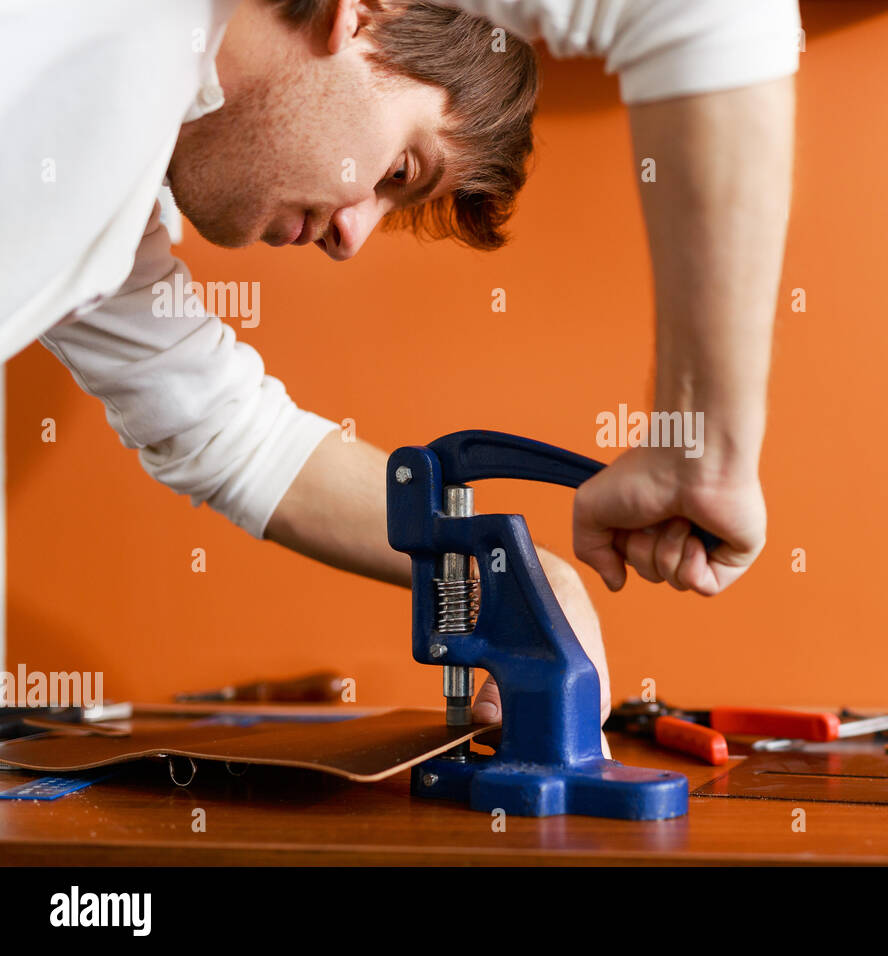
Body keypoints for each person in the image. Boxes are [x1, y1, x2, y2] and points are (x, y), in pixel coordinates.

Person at [1, 0, 798, 723]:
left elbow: (229, 435)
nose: (351, 238)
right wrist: (701, 451)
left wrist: (524, 575)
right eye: (398, 172)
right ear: (366, 14)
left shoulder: (105, 229)